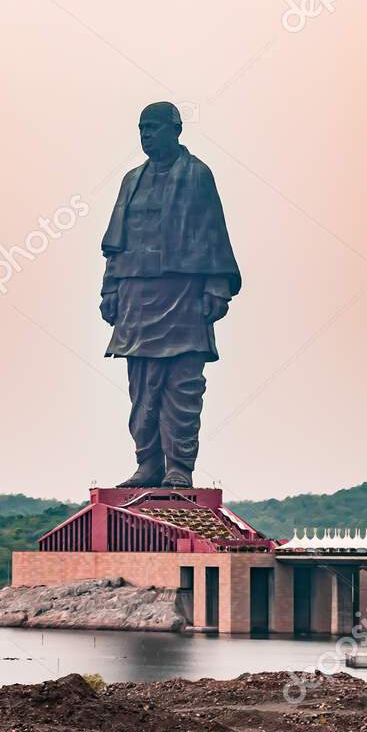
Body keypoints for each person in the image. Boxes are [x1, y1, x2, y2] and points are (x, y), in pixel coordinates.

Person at [100, 101, 241, 488]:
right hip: (135, 294)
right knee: (141, 387)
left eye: (154, 127)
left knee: (182, 384)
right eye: (141, 128)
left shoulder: (197, 174)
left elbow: (213, 232)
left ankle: (179, 467)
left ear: (175, 130)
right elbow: (115, 241)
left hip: (183, 294)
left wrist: (216, 286)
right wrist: (109, 288)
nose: (146, 135)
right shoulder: (131, 180)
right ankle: (148, 465)